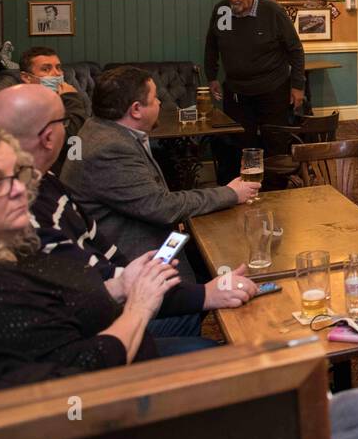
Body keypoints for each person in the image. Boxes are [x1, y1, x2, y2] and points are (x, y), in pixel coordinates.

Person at [0, 124, 188, 371]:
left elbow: (59, 311)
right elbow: (83, 370)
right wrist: (139, 306)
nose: (20, 190)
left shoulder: (7, 249)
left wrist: (121, 285)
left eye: (18, 174)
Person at [0, 84, 254, 341]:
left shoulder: (48, 179)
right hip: (107, 325)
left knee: (208, 262)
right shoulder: (29, 210)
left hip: (119, 276)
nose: (160, 102)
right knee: (218, 298)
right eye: (63, 121)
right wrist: (204, 295)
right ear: (48, 137)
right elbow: (160, 208)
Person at [61, 65, 259, 279]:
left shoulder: (101, 129)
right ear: (136, 109)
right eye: (155, 98)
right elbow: (160, 207)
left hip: (136, 241)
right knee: (237, 256)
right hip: (131, 268)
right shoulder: (110, 148)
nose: (160, 103)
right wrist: (231, 193)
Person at [204, 0, 305, 184]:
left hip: (273, 88)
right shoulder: (223, 10)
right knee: (239, 144)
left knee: (275, 144)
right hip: (237, 91)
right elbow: (212, 44)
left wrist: (297, 86)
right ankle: (241, 191)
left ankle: (276, 191)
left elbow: (295, 50)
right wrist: (211, 76)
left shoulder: (272, 11)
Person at [17, 46, 87, 172]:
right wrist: (72, 98)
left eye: (58, 68)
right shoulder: (27, 108)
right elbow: (72, 138)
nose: (56, 74)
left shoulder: (55, 99)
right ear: (26, 77)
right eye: (46, 69)